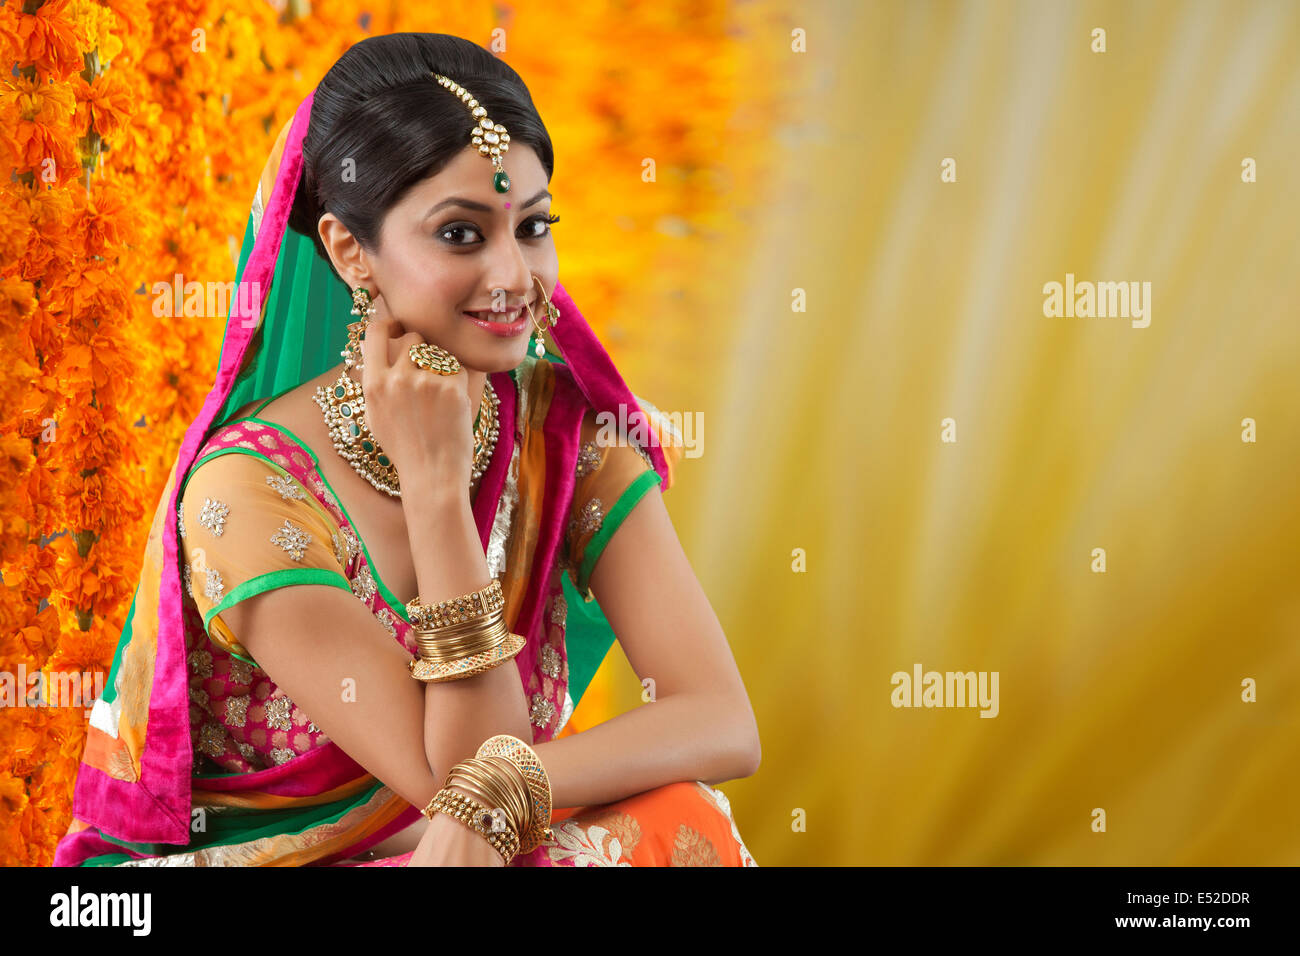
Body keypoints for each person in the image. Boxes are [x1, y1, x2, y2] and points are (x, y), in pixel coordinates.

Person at [52, 32, 759, 867]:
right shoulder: (247, 490)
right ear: (352, 252)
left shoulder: (563, 433)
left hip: (455, 848)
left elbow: (719, 719)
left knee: (683, 815)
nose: (513, 276)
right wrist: (435, 489)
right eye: (461, 235)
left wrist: (506, 791)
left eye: (533, 227)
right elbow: (454, 777)